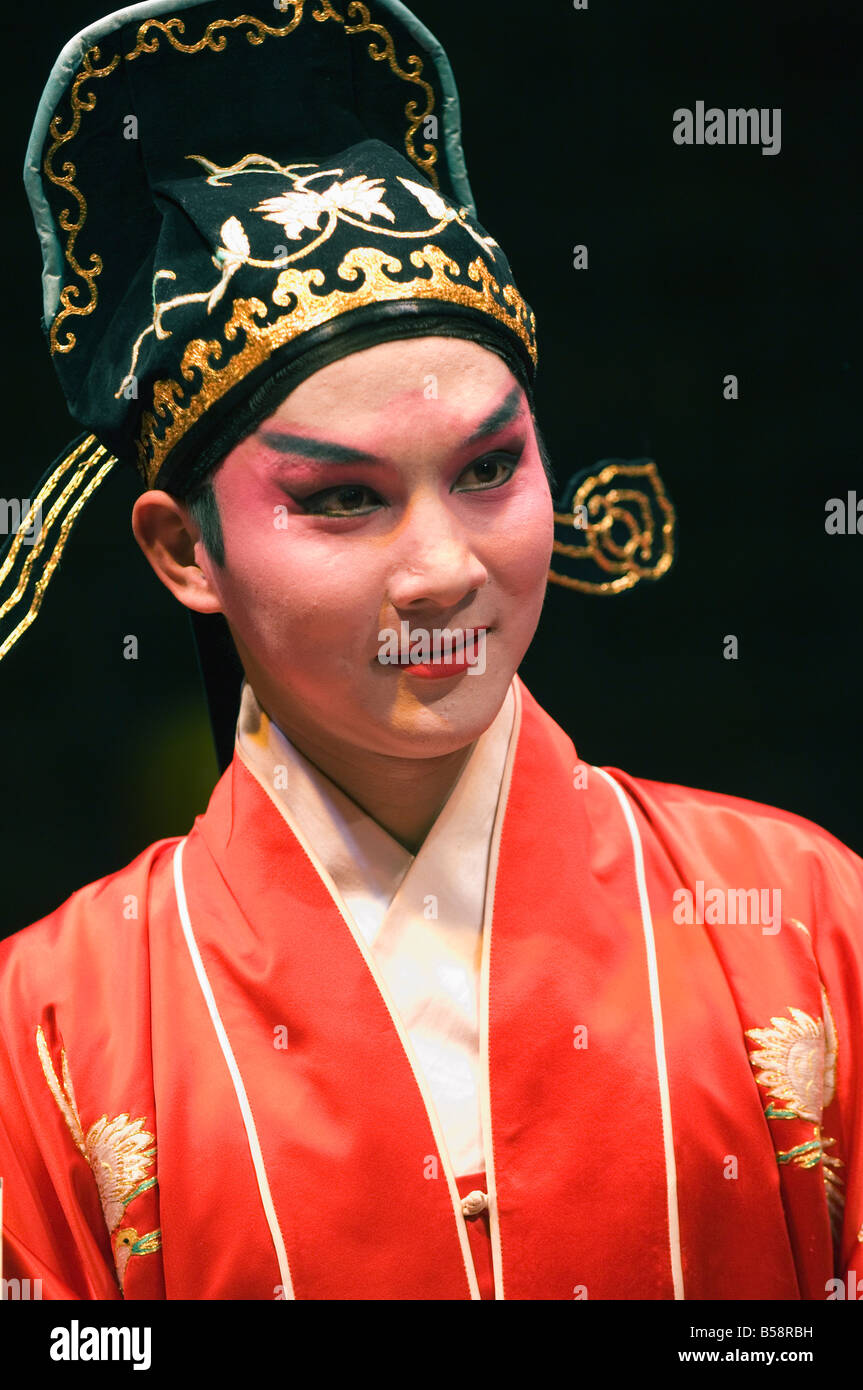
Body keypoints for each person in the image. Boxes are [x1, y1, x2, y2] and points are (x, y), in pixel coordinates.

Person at [0, 0, 859, 1301]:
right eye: (341, 497)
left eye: (489, 468)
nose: (446, 565)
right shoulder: (47, 1042)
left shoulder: (808, 920)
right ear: (184, 551)